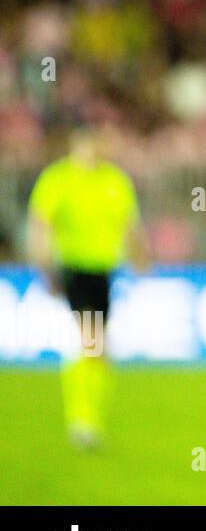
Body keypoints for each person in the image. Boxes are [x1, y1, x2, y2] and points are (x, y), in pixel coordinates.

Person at [27, 128, 148, 449]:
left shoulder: (115, 181)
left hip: (103, 272)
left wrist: (140, 257)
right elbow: (42, 224)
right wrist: (44, 264)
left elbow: (129, 224)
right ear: (75, 146)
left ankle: (88, 419)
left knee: (100, 351)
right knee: (92, 341)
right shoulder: (58, 179)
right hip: (74, 269)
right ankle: (82, 423)